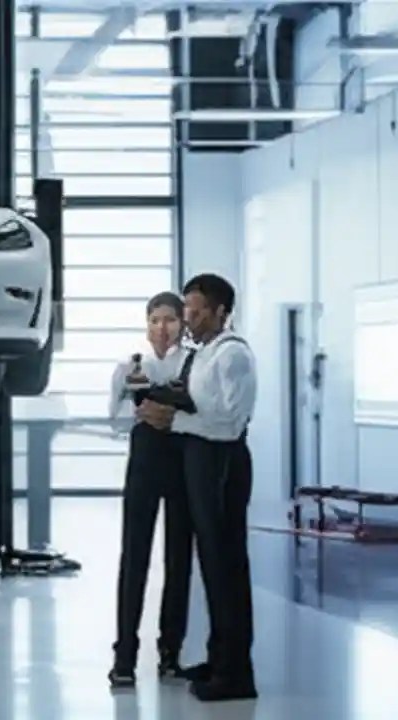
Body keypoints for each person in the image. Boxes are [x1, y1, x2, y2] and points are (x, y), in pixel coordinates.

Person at [136, 273, 258, 703]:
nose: (188, 318)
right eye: (186, 308)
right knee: (210, 564)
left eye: (196, 310)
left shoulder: (232, 356)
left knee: (226, 565)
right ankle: (220, 659)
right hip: (200, 460)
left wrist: (175, 421)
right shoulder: (204, 354)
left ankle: (237, 674)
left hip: (222, 462)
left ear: (222, 311)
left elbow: (229, 422)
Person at [107, 291, 193, 688]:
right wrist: (140, 411)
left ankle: (170, 652)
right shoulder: (129, 366)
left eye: (170, 320)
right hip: (143, 464)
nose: (163, 327)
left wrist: (171, 414)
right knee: (135, 555)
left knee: (179, 559)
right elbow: (116, 419)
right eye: (155, 319)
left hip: (183, 466)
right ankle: (124, 655)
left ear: (182, 323)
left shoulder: (194, 364)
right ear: (146, 324)